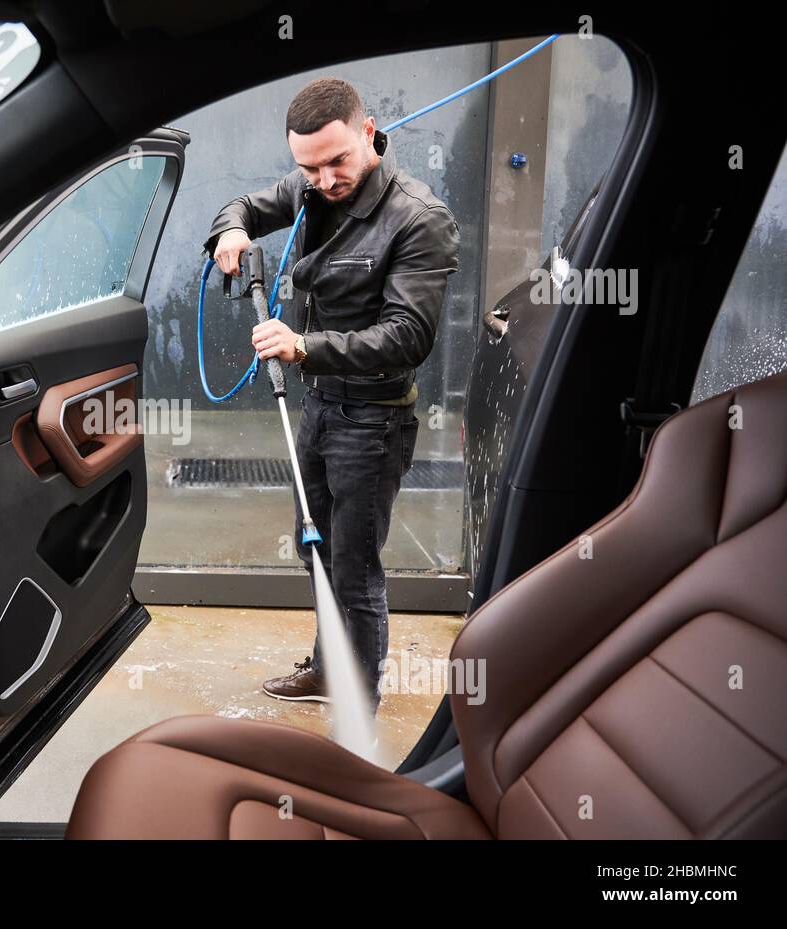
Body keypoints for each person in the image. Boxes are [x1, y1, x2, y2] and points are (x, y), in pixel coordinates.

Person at [203, 76, 460, 712]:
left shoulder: (418, 218)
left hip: (372, 418)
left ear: (368, 133)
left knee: (354, 567)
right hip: (318, 407)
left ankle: (358, 697)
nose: (322, 180)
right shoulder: (312, 181)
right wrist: (231, 231)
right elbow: (244, 206)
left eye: (337, 161)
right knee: (314, 546)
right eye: (307, 167)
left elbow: (408, 336)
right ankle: (327, 668)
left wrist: (302, 348)